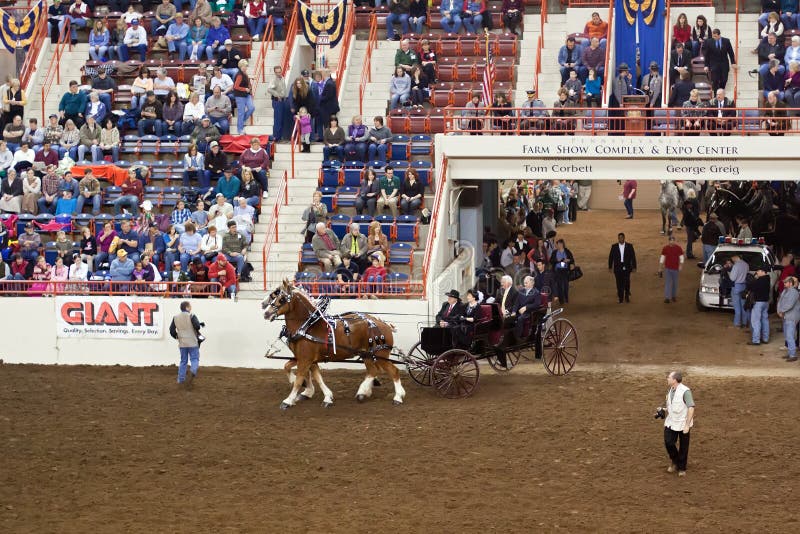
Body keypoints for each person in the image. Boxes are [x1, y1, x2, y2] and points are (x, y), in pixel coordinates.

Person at [662, 370, 695, 477]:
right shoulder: (670, 390)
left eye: (669, 377)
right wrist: (663, 409)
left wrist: (687, 425)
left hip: (682, 422)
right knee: (669, 442)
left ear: (675, 380)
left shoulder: (685, 391)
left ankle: (681, 467)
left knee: (684, 446)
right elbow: (673, 405)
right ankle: (675, 460)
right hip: (671, 421)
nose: (667, 378)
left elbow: (691, 407)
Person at [169, 301, 203, 387]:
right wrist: (200, 324)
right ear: (187, 308)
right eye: (190, 306)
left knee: (183, 361)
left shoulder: (175, 317)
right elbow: (197, 326)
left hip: (182, 343)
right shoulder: (191, 315)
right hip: (192, 342)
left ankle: (181, 380)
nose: (191, 308)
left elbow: (171, 330)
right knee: (194, 359)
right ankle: (193, 371)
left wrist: (176, 336)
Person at [608, 232, 636, 304]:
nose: (620, 239)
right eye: (619, 238)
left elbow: (633, 257)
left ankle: (626, 296)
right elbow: (611, 257)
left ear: (624, 238)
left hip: (627, 267)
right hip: (618, 267)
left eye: (621, 238)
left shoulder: (629, 246)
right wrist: (610, 266)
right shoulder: (614, 247)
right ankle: (620, 297)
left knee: (627, 282)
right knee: (619, 283)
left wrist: (634, 266)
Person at [778, 276, 800, 361]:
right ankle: (790, 353)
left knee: (790, 336)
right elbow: (780, 301)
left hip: (791, 316)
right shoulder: (785, 291)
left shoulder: (794, 292)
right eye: (784, 282)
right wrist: (779, 310)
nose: (784, 284)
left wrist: (781, 311)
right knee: (788, 335)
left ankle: (792, 355)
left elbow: (789, 304)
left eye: (786, 282)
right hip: (786, 316)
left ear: (790, 283)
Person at [748, 268, 772, 346]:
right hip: (766, 302)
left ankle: (756, 340)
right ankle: (765, 338)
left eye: (758, 271)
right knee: (765, 320)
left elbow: (751, 287)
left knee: (756, 321)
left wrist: (754, 279)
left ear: (762, 271)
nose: (757, 272)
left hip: (758, 302)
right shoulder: (768, 279)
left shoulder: (759, 280)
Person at [658, 235, 684, 304]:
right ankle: (667, 297)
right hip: (668, 268)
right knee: (668, 283)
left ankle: (673, 296)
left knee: (675, 283)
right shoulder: (665, 248)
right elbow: (662, 258)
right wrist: (660, 267)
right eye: (670, 240)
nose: (672, 242)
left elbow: (681, 258)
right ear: (669, 241)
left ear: (674, 241)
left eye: (673, 240)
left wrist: (680, 265)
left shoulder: (678, 248)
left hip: (675, 269)